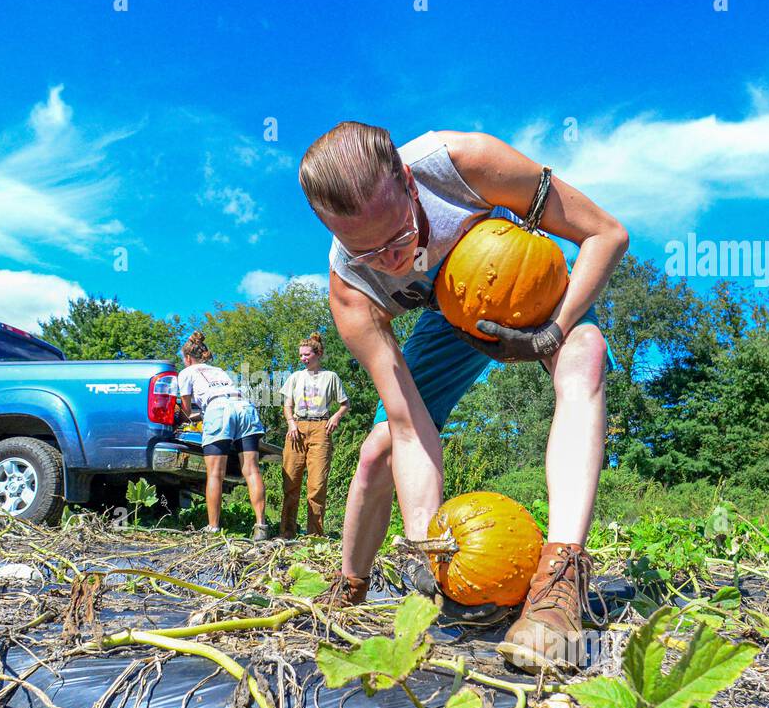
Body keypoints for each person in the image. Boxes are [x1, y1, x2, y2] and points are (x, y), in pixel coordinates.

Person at [298, 123, 627, 672]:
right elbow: (407, 428)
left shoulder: (460, 164)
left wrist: (553, 331)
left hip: (525, 287)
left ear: (407, 182)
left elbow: (606, 235)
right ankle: (349, 586)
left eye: (400, 237)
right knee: (377, 450)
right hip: (449, 320)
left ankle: (560, 582)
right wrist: (429, 545)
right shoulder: (351, 290)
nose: (392, 260)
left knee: (584, 354)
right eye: (369, 252)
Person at [176, 330, 272, 540]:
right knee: (252, 470)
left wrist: (182, 419)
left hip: (218, 410)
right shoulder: (218, 370)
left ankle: (213, 528)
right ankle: (261, 526)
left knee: (215, 474)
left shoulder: (186, 373)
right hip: (244, 408)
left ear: (188, 358)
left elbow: (186, 412)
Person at [280, 332, 349, 538]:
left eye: (306, 354)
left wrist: (336, 417)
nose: (303, 358)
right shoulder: (295, 377)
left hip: (321, 429)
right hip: (297, 429)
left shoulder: (331, 377)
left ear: (317, 353)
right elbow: (287, 405)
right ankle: (287, 533)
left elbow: (345, 404)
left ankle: (314, 536)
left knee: (317, 486)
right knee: (291, 482)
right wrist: (291, 423)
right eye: (301, 355)